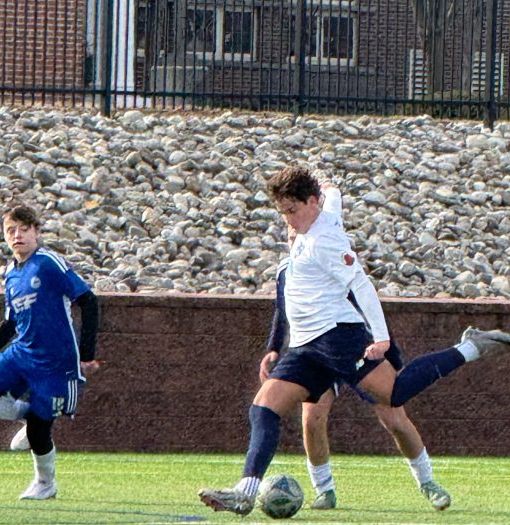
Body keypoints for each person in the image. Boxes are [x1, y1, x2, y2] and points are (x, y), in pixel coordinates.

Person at [198, 166, 510, 517]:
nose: (288, 220)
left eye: (293, 211)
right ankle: (246, 491)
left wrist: (380, 337)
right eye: (283, 212)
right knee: (264, 407)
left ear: (312, 203)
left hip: (338, 337)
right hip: (305, 347)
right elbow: (333, 194)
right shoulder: (318, 217)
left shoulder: (325, 241)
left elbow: (361, 286)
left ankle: (471, 347)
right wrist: (322, 180)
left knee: (394, 397)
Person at [261, 182, 449, 511]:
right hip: (314, 349)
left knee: (393, 417)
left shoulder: (326, 244)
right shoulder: (289, 268)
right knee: (312, 418)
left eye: (293, 213)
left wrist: (384, 345)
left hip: (351, 343)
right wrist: (274, 348)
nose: (290, 227)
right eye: (285, 219)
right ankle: (325, 490)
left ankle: (428, 482)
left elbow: (358, 292)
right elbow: (283, 310)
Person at [0, 203, 100, 500]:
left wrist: (87, 353)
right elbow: (11, 322)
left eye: (24, 229)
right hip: (21, 353)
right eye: (11, 230)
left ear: (37, 233)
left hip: (56, 361)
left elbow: (89, 301)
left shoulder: (48, 263)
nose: (17, 235)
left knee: (39, 431)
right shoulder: (11, 273)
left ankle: (45, 483)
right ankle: (28, 413)